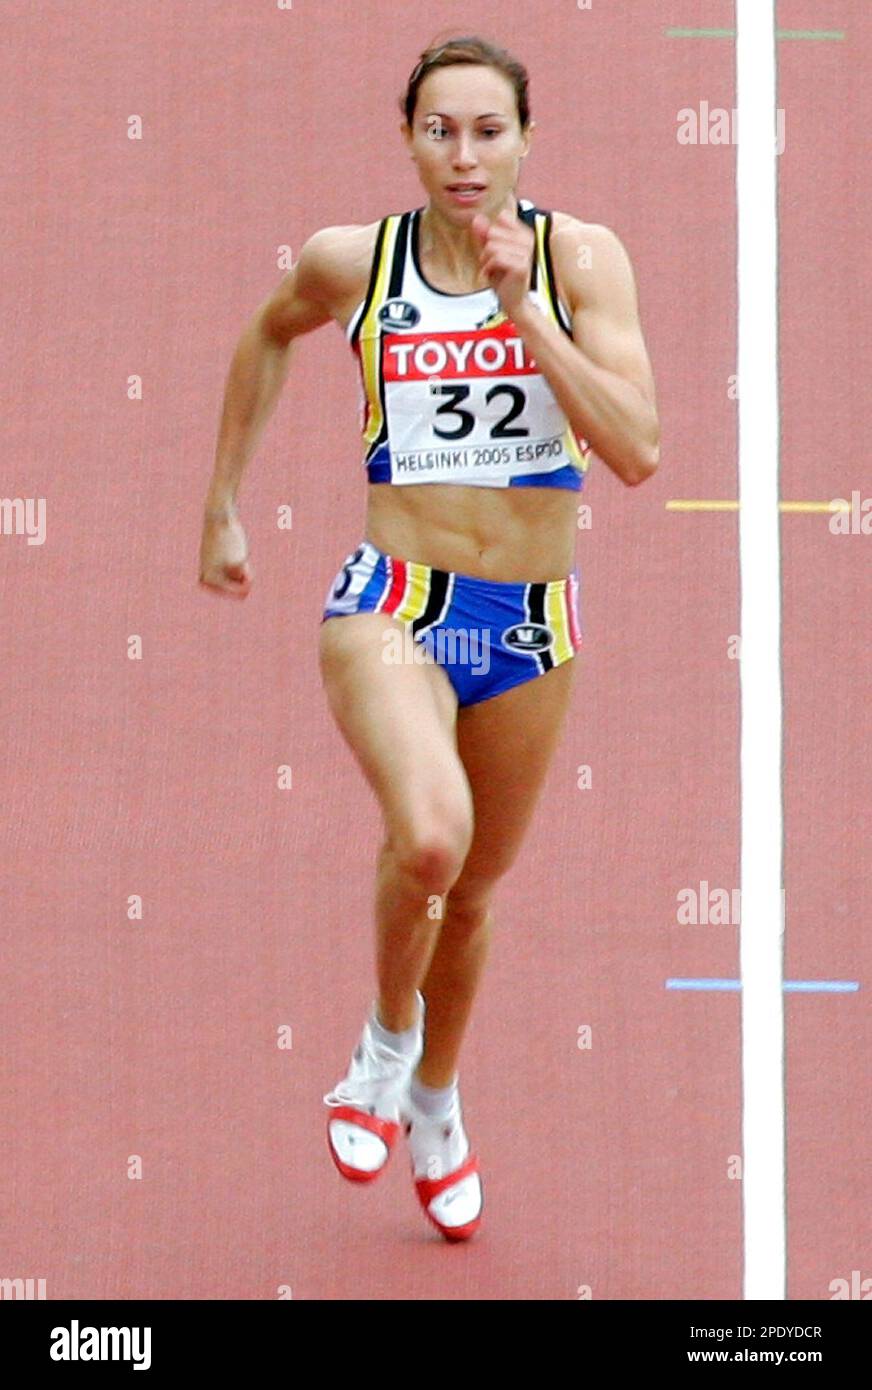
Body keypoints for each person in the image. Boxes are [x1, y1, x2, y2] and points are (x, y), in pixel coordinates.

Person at [199, 33, 660, 1243]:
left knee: (475, 893)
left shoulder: (582, 260)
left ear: (524, 138)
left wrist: (525, 319)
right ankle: (382, 1047)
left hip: (529, 620)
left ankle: (437, 1101)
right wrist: (225, 501)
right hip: (393, 603)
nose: (464, 156)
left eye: (487, 131)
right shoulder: (354, 263)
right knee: (431, 836)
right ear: (408, 136)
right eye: (439, 130)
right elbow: (266, 332)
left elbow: (635, 449)